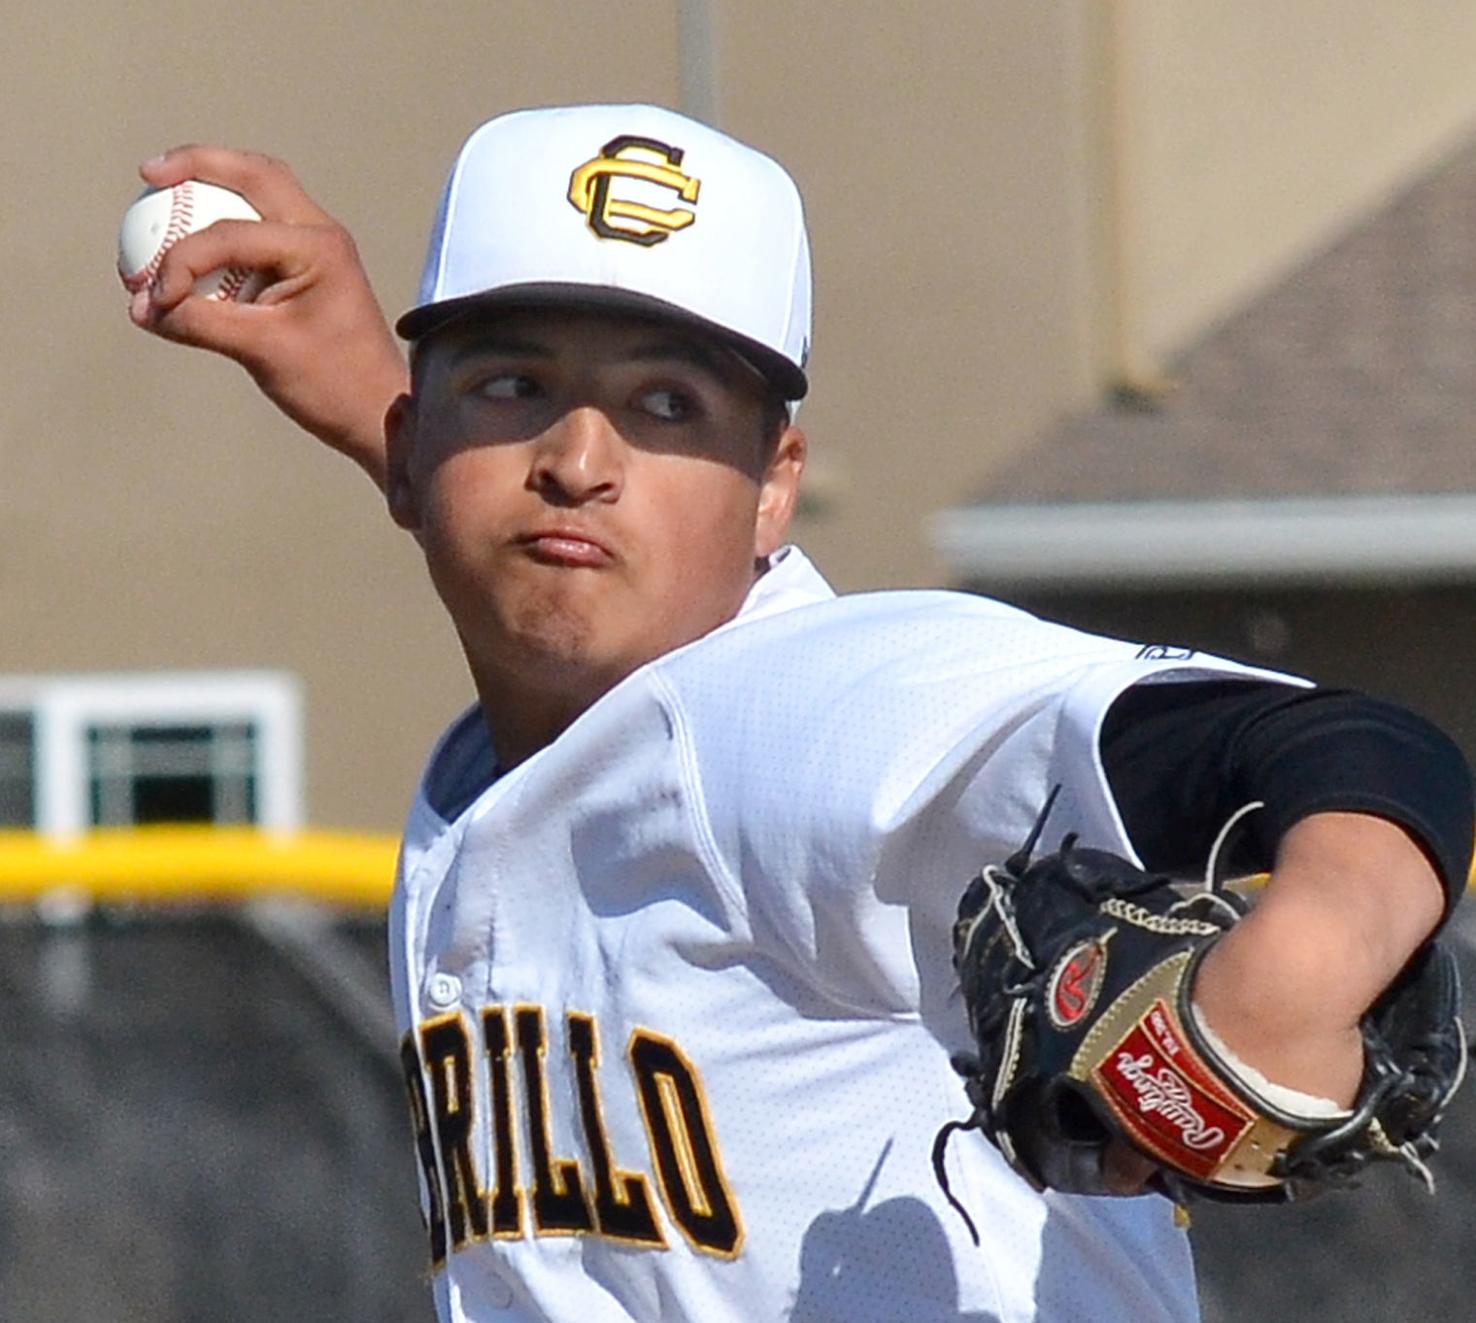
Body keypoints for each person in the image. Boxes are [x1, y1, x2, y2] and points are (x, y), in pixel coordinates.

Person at [131, 104, 1472, 1322]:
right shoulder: (546, 701)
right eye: (514, 386)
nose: (578, 462)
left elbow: (1337, 750)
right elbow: (521, 520)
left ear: (775, 489)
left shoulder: (816, 712)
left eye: (669, 405)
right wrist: (385, 411)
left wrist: (1306, 954)